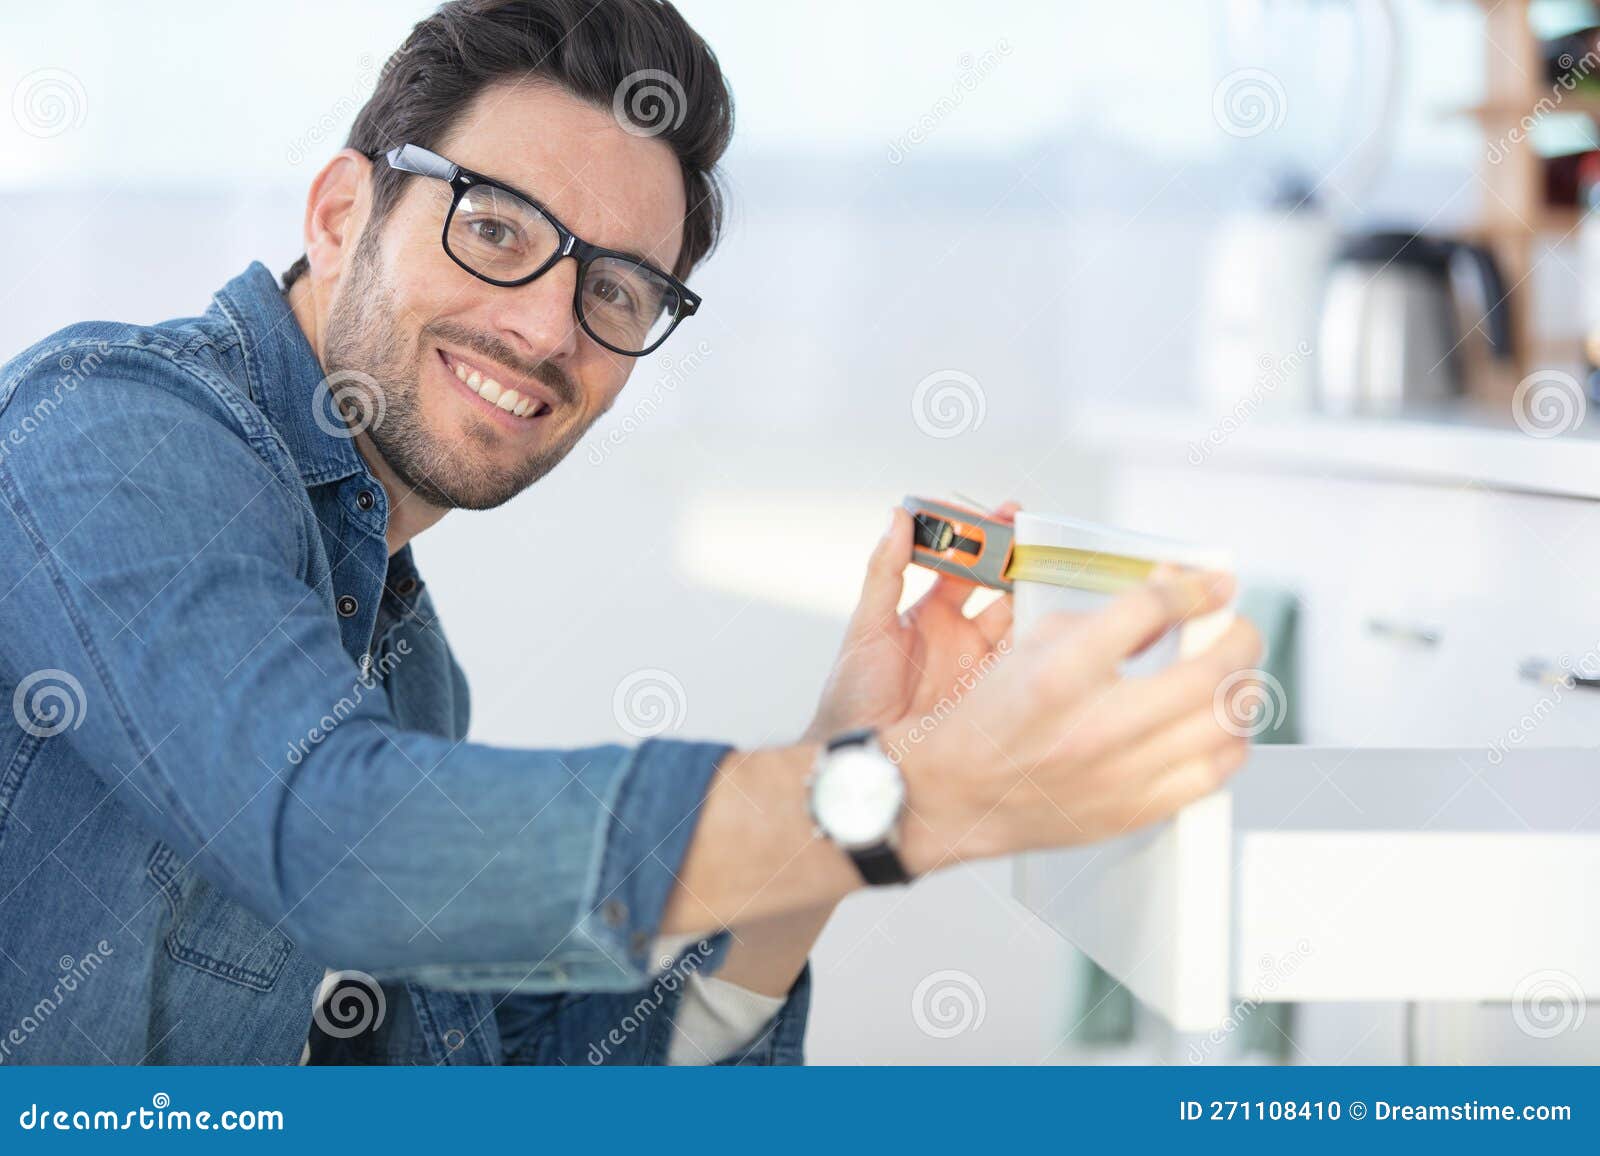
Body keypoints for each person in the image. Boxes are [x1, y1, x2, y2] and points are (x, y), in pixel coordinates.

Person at [0, 0, 1259, 1065]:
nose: (548, 329)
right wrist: (900, 799)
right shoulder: (110, 425)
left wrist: (847, 749)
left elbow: (528, 1074)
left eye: (612, 290)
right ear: (340, 213)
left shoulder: (406, 664)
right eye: (494, 226)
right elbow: (341, 842)